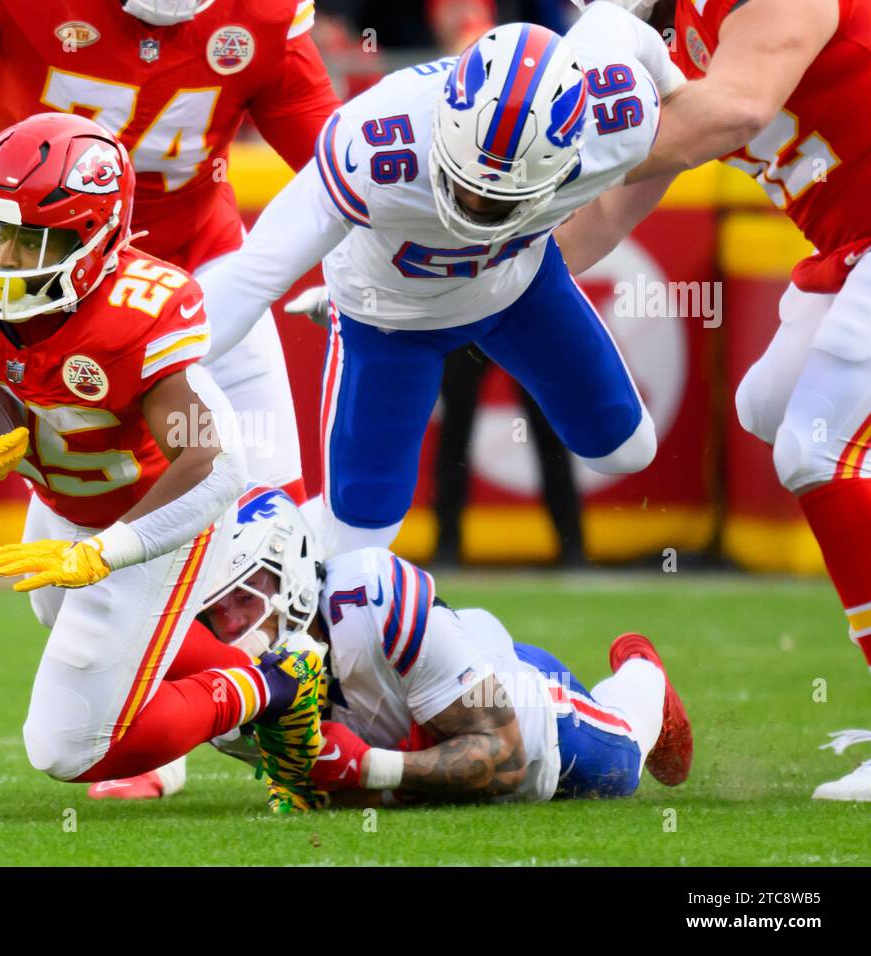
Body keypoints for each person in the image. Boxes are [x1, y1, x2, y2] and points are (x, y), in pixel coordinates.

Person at [0, 113, 327, 813]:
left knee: (68, 746)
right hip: (61, 504)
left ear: (96, 242)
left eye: (33, 241)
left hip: (153, 515)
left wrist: (106, 552)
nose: (3, 258)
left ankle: (275, 689)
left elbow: (214, 466)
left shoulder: (138, 313)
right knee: (62, 614)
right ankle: (270, 683)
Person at [196, 4, 686, 560]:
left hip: (517, 287)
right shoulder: (377, 143)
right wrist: (149, 363)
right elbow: (255, 274)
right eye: (470, 183)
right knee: (359, 548)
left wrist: (673, 85)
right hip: (390, 317)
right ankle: (273, 536)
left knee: (628, 450)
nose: (479, 206)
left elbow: (621, 28)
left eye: (503, 198)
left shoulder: (618, 115)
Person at [0, 0, 339, 499]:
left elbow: (339, 167)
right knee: (81, 509)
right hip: (48, 291)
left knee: (272, 507)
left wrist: (358, 272)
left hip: (200, 271)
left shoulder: (258, 17)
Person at [556, 0, 871, 802]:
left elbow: (738, 107)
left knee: (818, 445)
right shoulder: (666, 37)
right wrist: (467, 277)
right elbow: (603, 213)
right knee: (772, 405)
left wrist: (566, 151)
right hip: (852, 245)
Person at [199, 487, 693, 806]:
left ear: (293, 572)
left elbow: (506, 758)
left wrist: (368, 765)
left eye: (245, 595)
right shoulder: (221, 683)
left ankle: (642, 671)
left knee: (618, 766)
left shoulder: (369, 601)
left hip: (519, 710)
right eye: (214, 610)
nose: (233, 624)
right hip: (438, 684)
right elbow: (325, 791)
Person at [434, 346, 585, 566]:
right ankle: (446, 546)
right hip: (481, 328)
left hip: (495, 328)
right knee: (455, 431)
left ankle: (573, 547)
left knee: (548, 432)